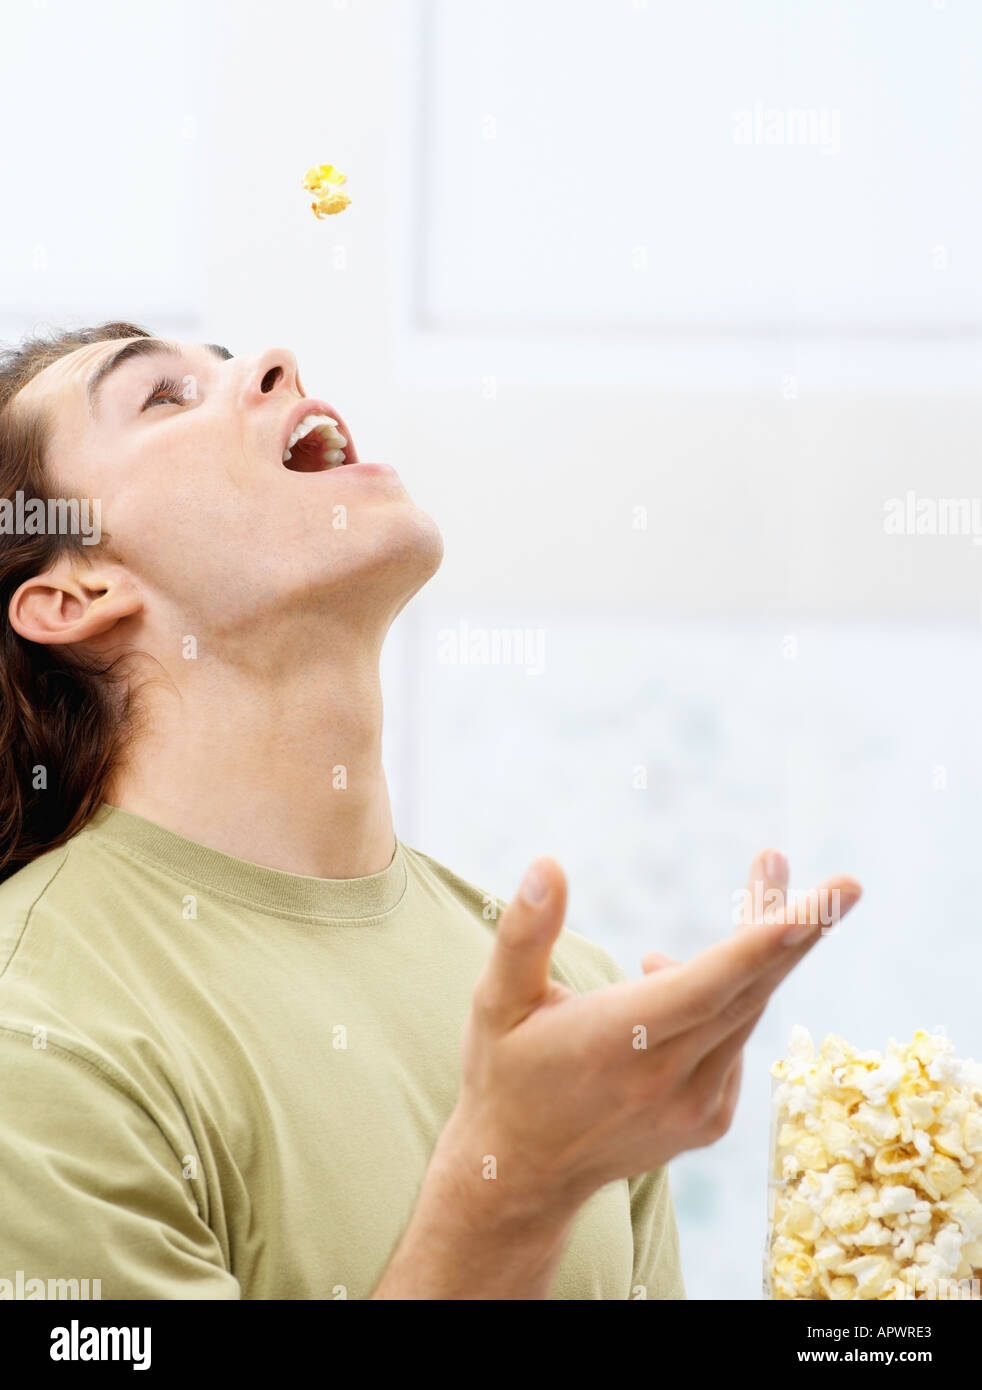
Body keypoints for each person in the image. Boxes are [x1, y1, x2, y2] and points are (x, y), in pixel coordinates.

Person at [0, 323, 861, 1300]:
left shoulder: (567, 1002)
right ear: (74, 593)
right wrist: (515, 1187)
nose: (277, 361)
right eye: (163, 396)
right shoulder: (34, 1038)